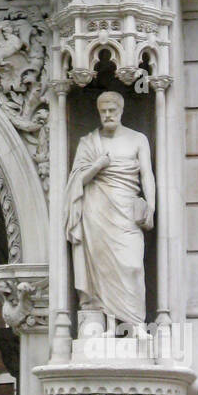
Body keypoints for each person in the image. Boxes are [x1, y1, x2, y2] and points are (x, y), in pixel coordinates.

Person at [65, 90, 154, 330]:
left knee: (133, 265)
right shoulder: (88, 142)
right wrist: (97, 166)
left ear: (121, 110)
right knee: (100, 268)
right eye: (103, 111)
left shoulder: (138, 139)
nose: (107, 115)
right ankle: (96, 320)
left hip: (127, 211)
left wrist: (151, 208)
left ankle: (135, 325)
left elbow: (147, 176)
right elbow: (76, 181)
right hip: (96, 212)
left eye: (111, 110)